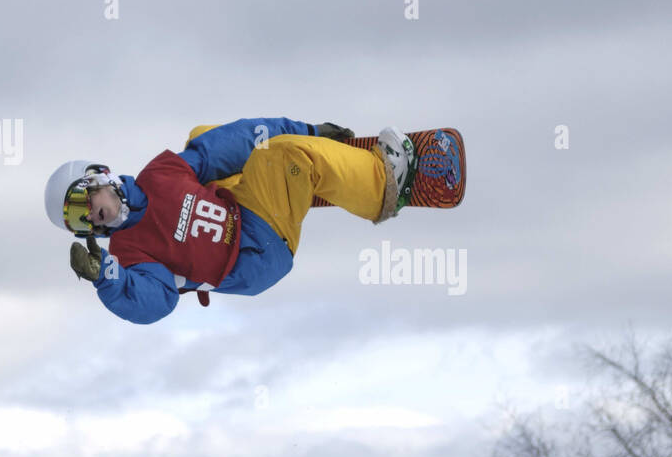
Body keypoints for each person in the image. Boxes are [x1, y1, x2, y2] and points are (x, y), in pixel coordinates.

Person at [42, 117, 415, 324]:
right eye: (79, 221)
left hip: (239, 209)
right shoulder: (127, 253)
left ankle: (310, 163)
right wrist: (108, 278)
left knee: (202, 138)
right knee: (285, 157)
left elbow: (230, 143)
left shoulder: (158, 175)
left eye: (80, 202)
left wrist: (309, 131)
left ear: (100, 177)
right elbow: (157, 302)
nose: (90, 217)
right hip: (252, 255)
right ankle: (384, 184)